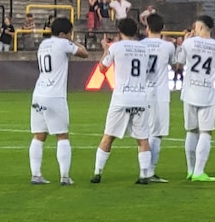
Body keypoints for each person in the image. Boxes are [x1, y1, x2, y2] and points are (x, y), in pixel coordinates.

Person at [90, 18, 154, 185]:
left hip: (122, 97)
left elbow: (102, 68)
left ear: (120, 30)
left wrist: (105, 49)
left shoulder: (116, 47)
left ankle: (97, 172)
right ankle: (144, 174)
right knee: (142, 139)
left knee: (108, 136)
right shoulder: (145, 48)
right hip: (140, 96)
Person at [28, 18, 89, 185]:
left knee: (39, 135)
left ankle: (36, 175)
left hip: (39, 92)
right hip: (55, 95)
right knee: (62, 136)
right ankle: (64, 176)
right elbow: (84, 53)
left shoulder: (43, 44)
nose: (71, 35)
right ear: (63, 34)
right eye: (70, 33)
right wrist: (72, 41)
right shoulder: (63, 43)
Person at [179, 15, 215, 182]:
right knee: (205, 132)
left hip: (190, 91)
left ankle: (191, 170)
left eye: (196, 27)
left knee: (191, 131)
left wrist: (185, 41)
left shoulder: (189, 43)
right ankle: (199, 171)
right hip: (207, 93)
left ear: (201, 27)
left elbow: (180, 60)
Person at [142, 14, 179, 182]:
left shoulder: (140, 45)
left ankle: (145, 169)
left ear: (147, 28)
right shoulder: (168, 46)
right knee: (157, 133)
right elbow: (175, 64)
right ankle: (149, 171)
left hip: (142, 91)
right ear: (162, 28)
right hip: (160, 92)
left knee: (146, 131)